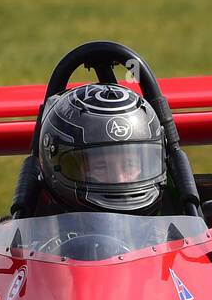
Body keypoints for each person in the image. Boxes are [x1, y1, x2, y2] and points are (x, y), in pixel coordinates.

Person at [35, 83, 169, 214]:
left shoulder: (177, 217)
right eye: (100, 167)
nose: (119, 179)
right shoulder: (36, 232)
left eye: (129, 165)